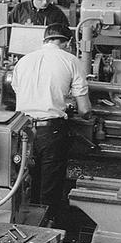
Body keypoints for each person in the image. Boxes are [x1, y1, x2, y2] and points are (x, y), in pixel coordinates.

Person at [11, 23, 91, 229]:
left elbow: (19, 93)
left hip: (22, 129)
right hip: (51, 130)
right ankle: (46, 230)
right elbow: (84, 110)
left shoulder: (23, 61)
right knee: (50, 186)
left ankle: (24, 226)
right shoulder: (72, 60)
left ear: (44, 40)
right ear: (69, 42)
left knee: (26, 181)